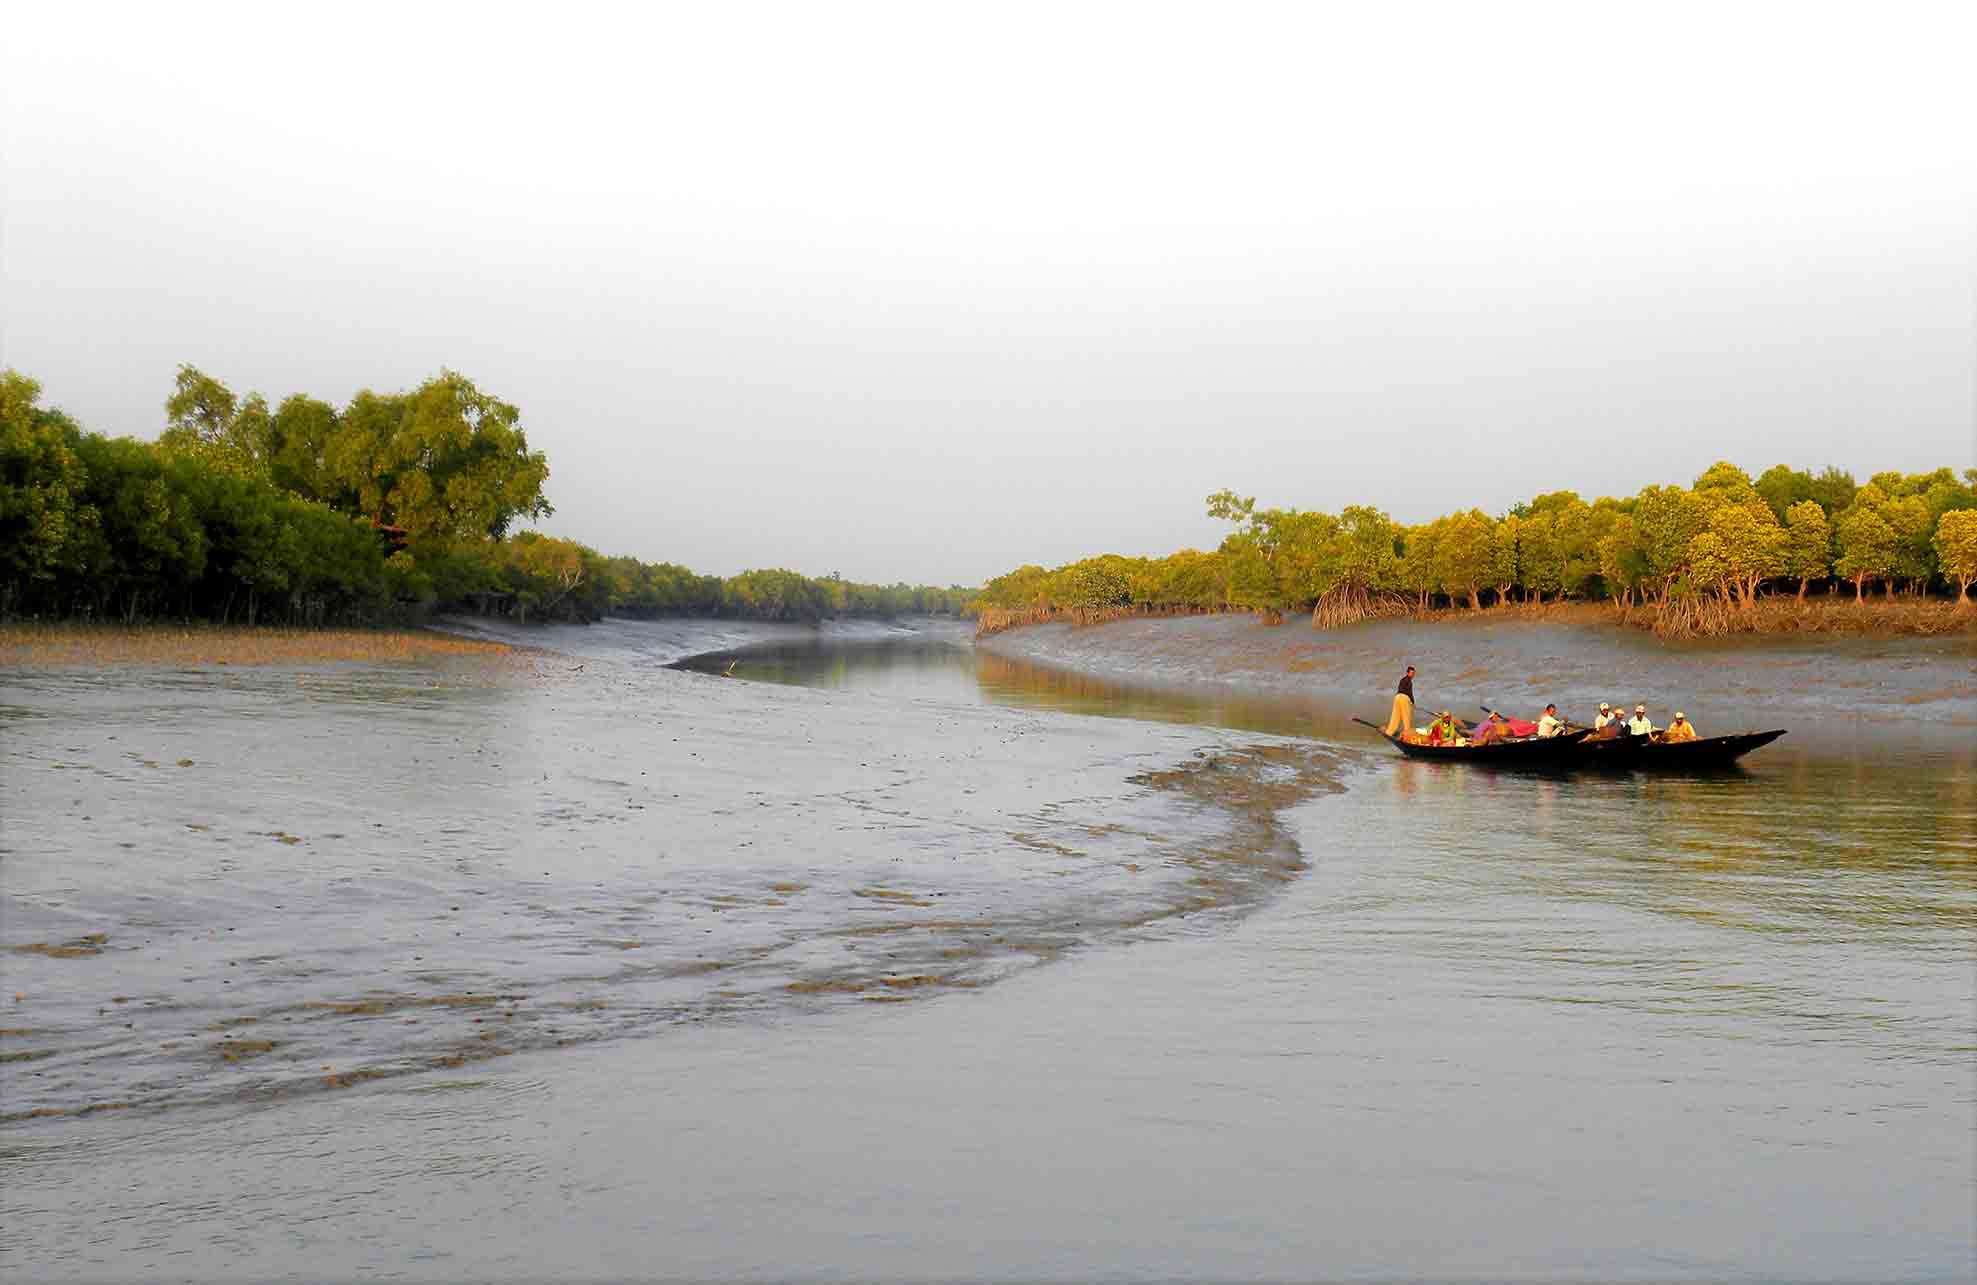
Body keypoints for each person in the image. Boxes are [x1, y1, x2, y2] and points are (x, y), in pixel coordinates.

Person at [1382, 665, 1416, 736]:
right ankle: (1407, 734)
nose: (1412, 675)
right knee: (1406, 717)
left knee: (1395, 716)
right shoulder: (1409, 681)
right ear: (1407, 673)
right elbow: (1410, 693)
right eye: (1411, 673)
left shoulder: (1402, 679)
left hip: (1397, 697)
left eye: (1413, 673)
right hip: (1404, 698)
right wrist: (1412, 702)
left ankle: (1389, 732)